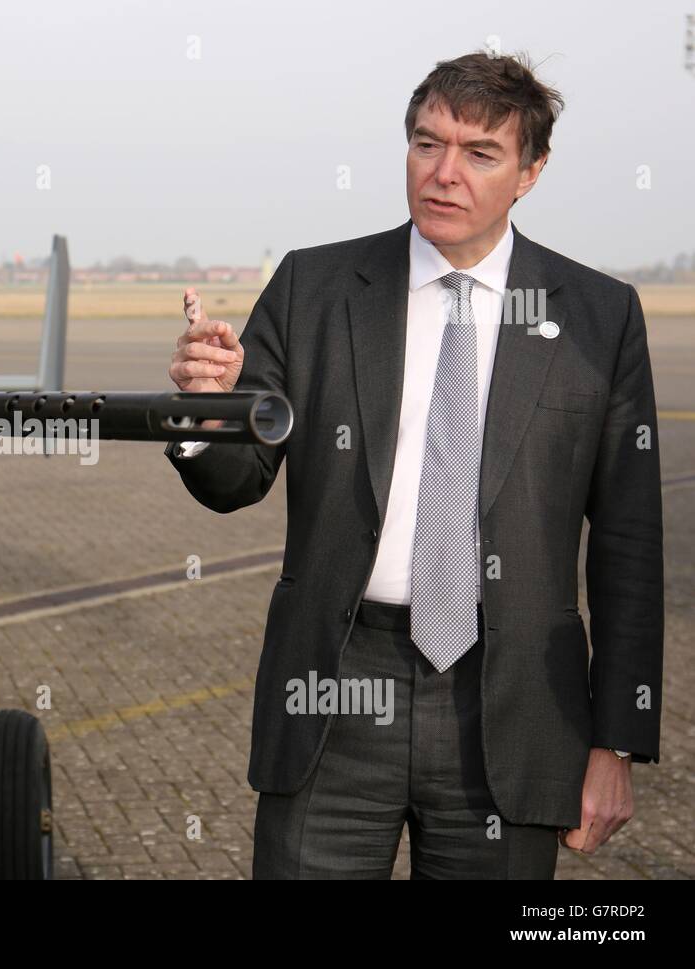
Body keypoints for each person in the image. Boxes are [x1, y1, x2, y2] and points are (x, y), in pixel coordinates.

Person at [165, 51, 662, 879]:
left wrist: (616, 741)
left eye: (479, 153)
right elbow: (234, 480)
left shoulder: (600, 317)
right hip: (334, 691)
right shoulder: (313, 287)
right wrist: (208, 417)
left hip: (512, 709)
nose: (444, 173)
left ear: (531, 173)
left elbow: (629, 546)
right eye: (426, 143)